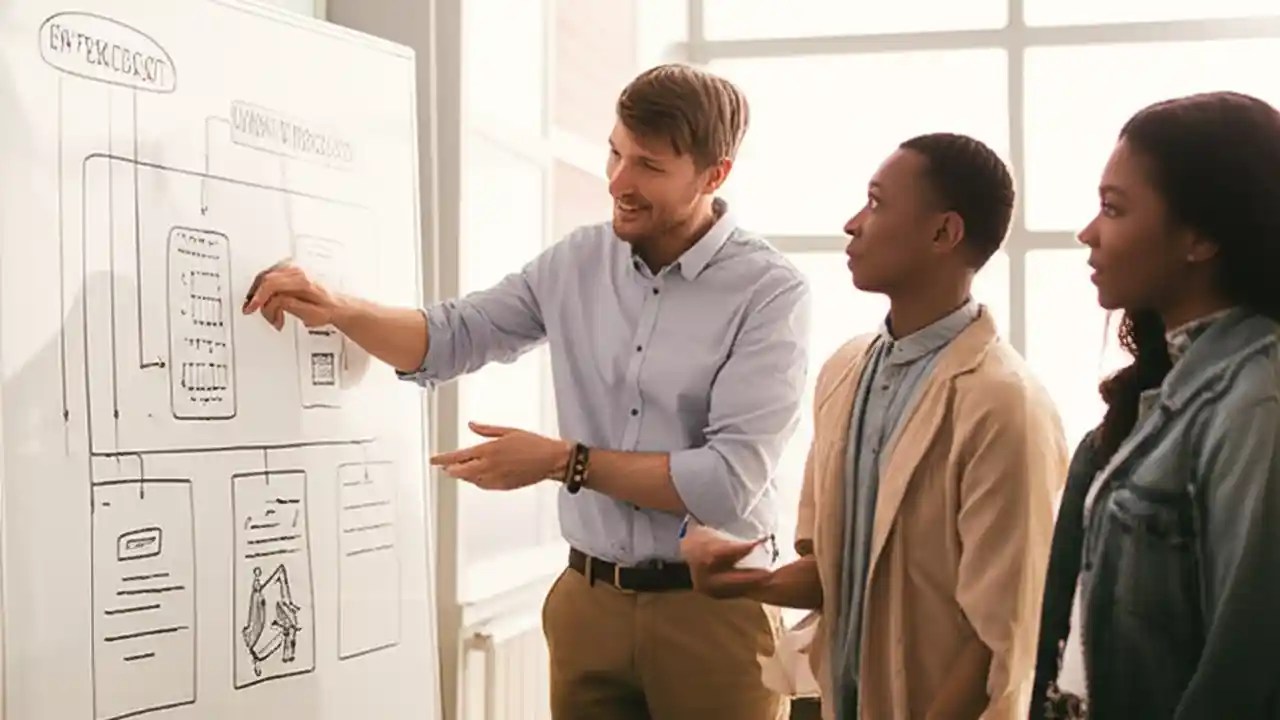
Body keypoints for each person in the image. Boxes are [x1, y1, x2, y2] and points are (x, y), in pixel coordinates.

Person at [242, 63, 810, 720]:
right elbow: (452, 336)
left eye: (649, 166)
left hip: (711, 618)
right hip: (587, 605)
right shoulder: (576, 262)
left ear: (715, 175)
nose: (619, 182)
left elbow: (726, 482)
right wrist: (338, 309)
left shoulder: (770, 293)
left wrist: (561, 462)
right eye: (615, 152)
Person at [682, 133, 1067, 720]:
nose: (853, 224)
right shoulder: (846, 371)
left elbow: (1003, 635)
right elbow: (836, 574)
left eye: (877, 203)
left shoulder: (1005, 405)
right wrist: (748, 582)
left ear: (944, 233)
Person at [1030, 91, 1280, 719]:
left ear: (1200, 238)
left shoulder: (1255, 401)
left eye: (1113, 209)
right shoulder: (1162, 390)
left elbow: (1243, 667)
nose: (1088, 233)